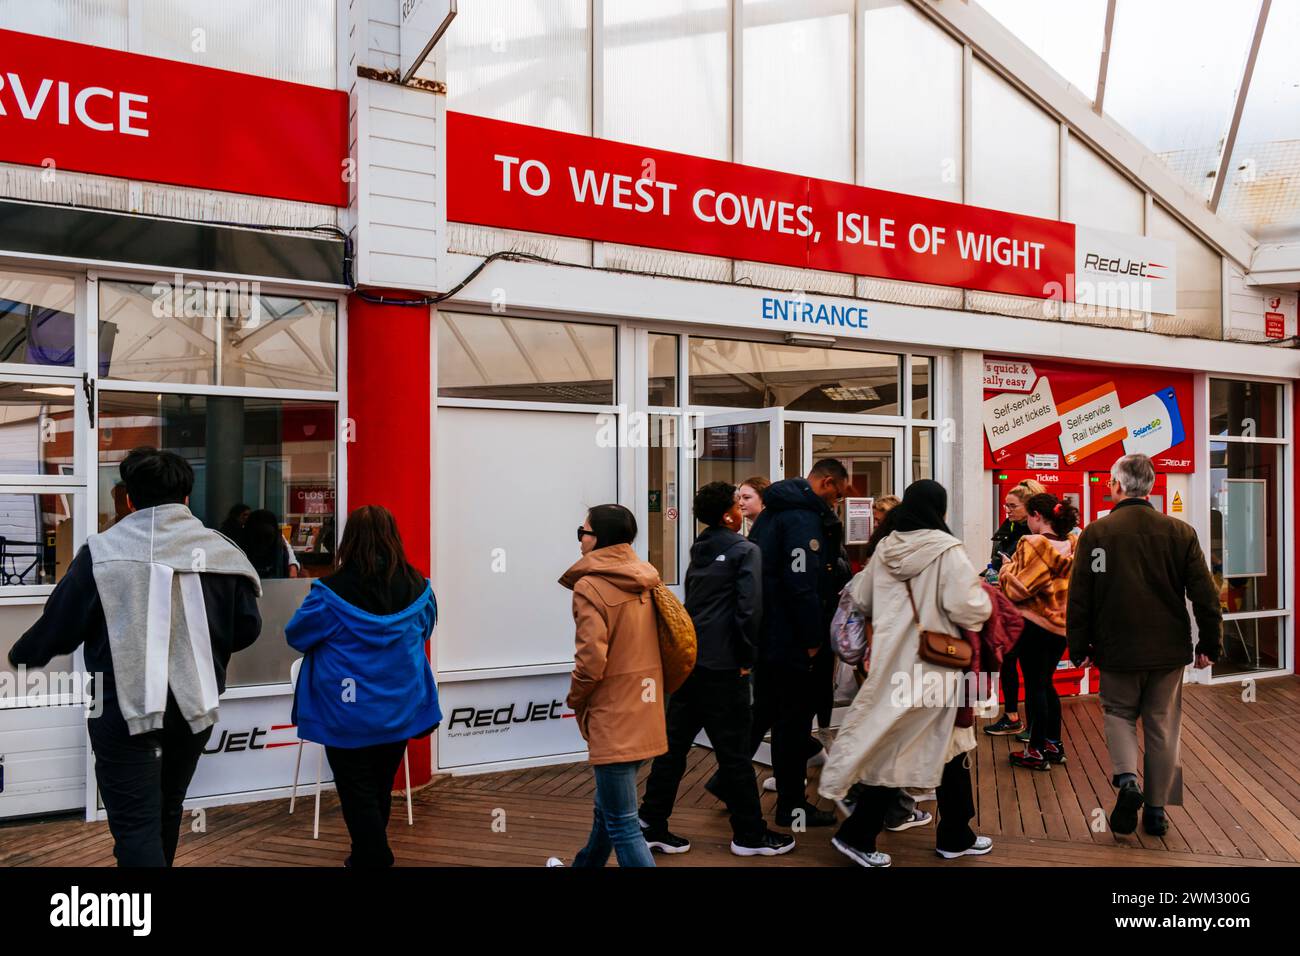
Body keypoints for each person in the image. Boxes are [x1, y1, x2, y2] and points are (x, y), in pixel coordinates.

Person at [8, 447, 262, 866]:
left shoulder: (104, 551)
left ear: (129, 498)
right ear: (186, 498)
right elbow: (247, 629)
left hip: (121, 708)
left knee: (134, 826)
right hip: (194, 706)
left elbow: (62, 623)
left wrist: (23, 655)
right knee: (167, 809)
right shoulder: (222, 552)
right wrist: (192, 644)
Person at [819, 479, 994, 867]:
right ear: (940, 510)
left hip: (890, 664)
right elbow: (969, 609)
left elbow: (861, 598)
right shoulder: (947, 551)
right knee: (913, 747)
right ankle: (859, 834)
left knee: (945, 745)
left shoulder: (885, 547)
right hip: (935, 667)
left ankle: (954, 833)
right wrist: (985, 598)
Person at [1067, 454, 1221, 838]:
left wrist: (1078, 645)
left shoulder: (1097, 534)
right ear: (1150, 487)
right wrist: (1210, 643)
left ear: (1117, 486)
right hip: (1168, 649)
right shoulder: (1179, 533)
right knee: (1164, 726)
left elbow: (1080, 596)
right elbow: (1205, 594)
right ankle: (1157, 813)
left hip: (1116, 648)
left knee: (1118, 713)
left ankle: (1127, 782)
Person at [638, 482, 795, 857]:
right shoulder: (745, 550)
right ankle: (749, 835)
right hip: (725, 668)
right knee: (735, 753)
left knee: (673, 748)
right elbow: (748, 611)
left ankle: (651, 823)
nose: (742, 509)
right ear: (729, 515)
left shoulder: (700, 548)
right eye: (737, 504)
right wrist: (745, 660)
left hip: (691, 663)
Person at [285, 505, 440, 867]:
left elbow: (297, 635)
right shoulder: (421, 588)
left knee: (357, 790)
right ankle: (365, 854)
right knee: (379, 786)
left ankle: (374, 856)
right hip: (398, 706)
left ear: (348, 541)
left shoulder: (328, 594)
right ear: (394, 538)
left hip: (345, 711)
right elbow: (426, 631)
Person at [548, 504, 666, 868]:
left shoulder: (589, 585)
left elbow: (590, 661)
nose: (580, 538)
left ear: (599, 539)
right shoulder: (646, 577)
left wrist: (576, 697)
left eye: (582, 531)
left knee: (624, 824)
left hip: (613, 713)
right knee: (609, 809)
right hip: (646, 706)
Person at [744, 459, 851, 829]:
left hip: (767, 636)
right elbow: (801, 585)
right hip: (790, 641)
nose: (837, 502)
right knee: (792, 725)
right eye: (837, 493)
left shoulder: (771, 514)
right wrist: (811, 640)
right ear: (825, 482)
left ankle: (734, 786)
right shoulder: (803, 519)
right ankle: (792, 807)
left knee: (769, 714)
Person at [999, 493, 1079, 771]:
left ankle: (1035, 750)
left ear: (1036, 516)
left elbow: (1019, 588)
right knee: (1046, 683)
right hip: (1060, 627)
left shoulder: (1032, 544)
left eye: (1029, 516)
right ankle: (1053, 744)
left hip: (1034, 625)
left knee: (1035, 686)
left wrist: (1006, 569)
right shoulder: (1072, 544)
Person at [983, 478, 1045, 737]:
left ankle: (1036, 727)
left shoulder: (1038, 536)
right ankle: (1011, 716)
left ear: (1030, 507)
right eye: (1006, 505)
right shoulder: (1008, 527)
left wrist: (1006, 572)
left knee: (1034, 673)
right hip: (1008, 607)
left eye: (1012, 506)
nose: (1007, 510)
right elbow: (995, 563)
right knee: (1007, 661)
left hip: (1032, 611)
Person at [238, 508, 291, 579]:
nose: (262, 541)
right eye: (258, 537)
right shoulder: (240, 553)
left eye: (267, 537)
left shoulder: (280, 551)